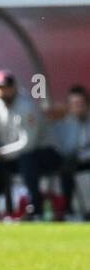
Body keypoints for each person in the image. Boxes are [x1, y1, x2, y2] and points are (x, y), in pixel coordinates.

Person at [0, 70, 57, 219]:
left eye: (7, 87)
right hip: (13, 155)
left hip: (45, 153)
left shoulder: (26, 106)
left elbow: (29, 144)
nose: (4, 91)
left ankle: (35, 208)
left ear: (14, 87)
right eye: (0, 87)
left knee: (28, 159)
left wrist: (0, 153)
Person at [47, 84, 90, 218]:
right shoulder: (63, 124)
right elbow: (66, 149)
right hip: (74, 161)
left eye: (80, 103)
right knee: (66, 167)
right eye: (74, 104)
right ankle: (67, 208)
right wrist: (74, 123)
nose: (78, 107)